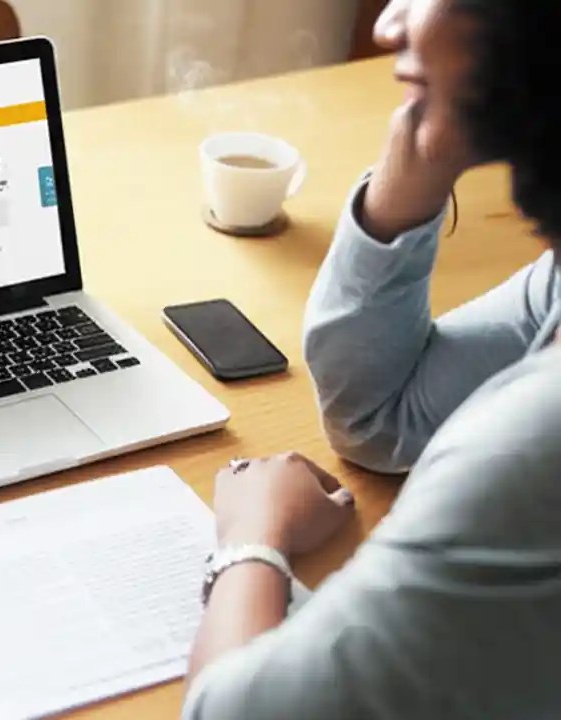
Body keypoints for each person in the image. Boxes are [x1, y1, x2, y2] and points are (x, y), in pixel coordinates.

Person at [182, 1, 561, 718]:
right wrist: (418, 152)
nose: (390, 22)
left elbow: (229, 713)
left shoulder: (530, 448)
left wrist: (251, 541)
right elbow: (381, 418)